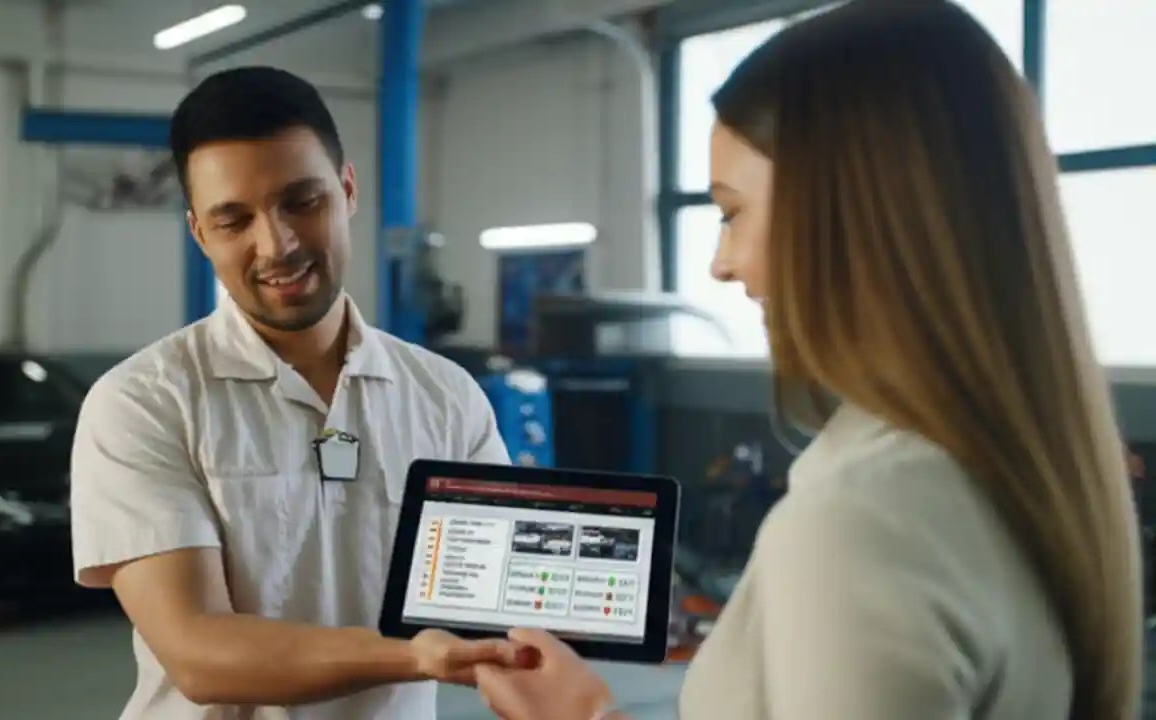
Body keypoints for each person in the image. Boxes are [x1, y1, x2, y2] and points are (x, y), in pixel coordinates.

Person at [474, 2, 1144, 719]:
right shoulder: (1022, 471)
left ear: (848, 210)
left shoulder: (860, 524)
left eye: (731, 214)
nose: (720, 265)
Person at [69, 67, 524, 720]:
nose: (275, 244)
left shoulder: (446, 398)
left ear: (347, 190)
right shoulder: (144, 402)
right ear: (200, 233)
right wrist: (412, 657)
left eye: (301, 203)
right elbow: (198, 652)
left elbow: (492, 598)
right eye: (235, 220)